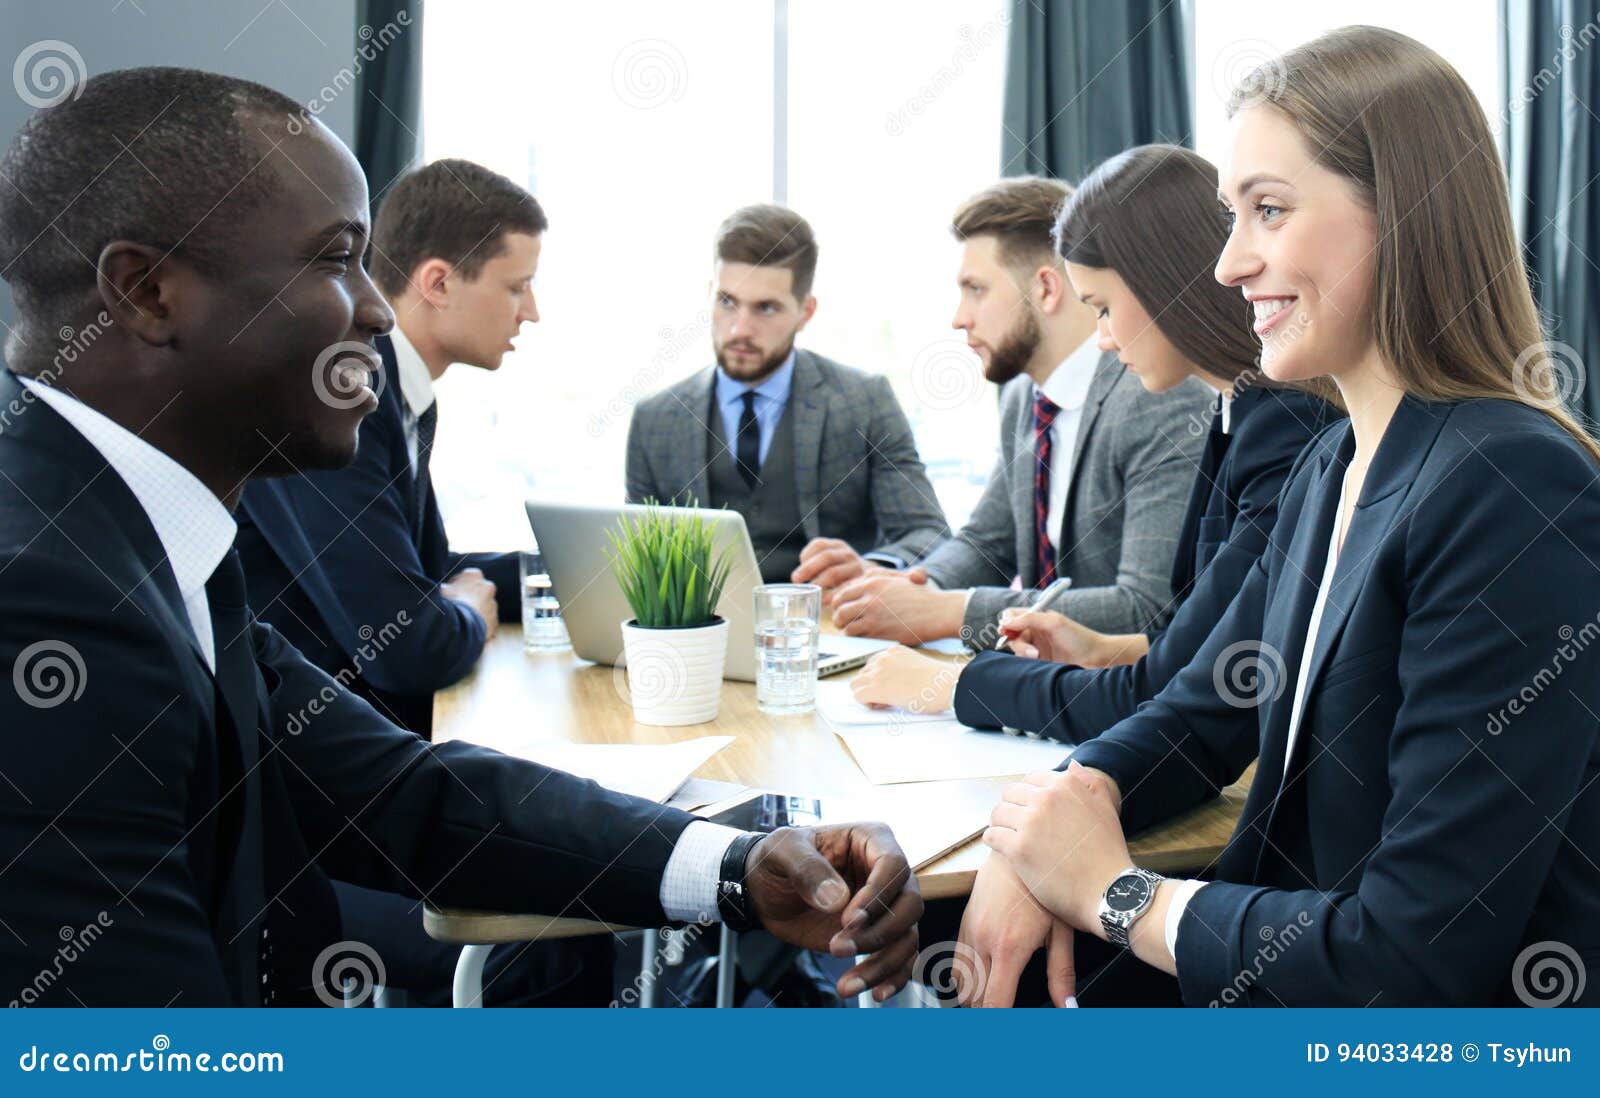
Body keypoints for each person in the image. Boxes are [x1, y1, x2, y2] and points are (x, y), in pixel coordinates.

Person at [0, 66, 921, 1007]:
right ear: (147, 291)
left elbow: (408, 796)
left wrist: (742, 863)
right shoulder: (44, 598)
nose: (372, 305)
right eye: (334, 258)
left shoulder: (152, 545)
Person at [959, 26, 1600, 1007]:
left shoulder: (1511, 485)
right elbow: (1199, 713)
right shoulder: (1333, 462)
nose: (1225, 265)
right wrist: (1053, 816)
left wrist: (1110, 892)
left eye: (1268, 211)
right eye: (1232, 216)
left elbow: (1414, 957)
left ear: (1406, 215)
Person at [850, 146, 1339, 738]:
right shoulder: (1225, 413)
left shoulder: (1207, 409)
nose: (958, 317)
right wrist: (917, 585)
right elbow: (1179, 648)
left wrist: (952, 674)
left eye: (1103, 309)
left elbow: (1167, 660)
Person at [828, 178, 1211, 646]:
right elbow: (988, 542)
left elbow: (1146, 610)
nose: (959, 317)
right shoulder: (1023, 397)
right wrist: (911, 587)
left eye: (976, 289)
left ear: (1046, 289)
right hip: (1035, 688)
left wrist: (956, 612)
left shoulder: (1157, 395)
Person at [236, 159, 537, 740]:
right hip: (306, 760)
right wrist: (470, 613)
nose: (531, 312)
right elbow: (407, 645)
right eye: (517, 287)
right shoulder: (337, 395)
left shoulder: (404, 393)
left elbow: (419, 573)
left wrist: (563, 575)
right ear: (439, 283)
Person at [624, 204, 949, 584]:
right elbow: (639, 561)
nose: (739, 330)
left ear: (805, 312)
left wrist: (872, 568)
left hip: (834, 628)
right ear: (709, 294)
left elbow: (930, 537)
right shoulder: (655, 420)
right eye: (727, 302)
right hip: (703, 635)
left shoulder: (865, 402)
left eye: (766, 308)